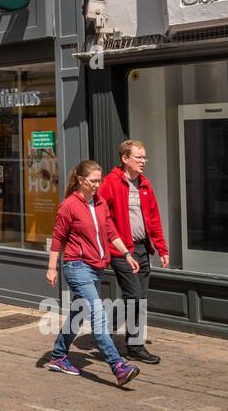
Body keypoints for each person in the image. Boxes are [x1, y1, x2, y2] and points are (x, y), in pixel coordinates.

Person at [44, 159, 142, 387]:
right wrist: (51, 268)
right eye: (94, 181)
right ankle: (118, 366)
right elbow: (58, 238)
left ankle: (58, 356)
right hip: (77, 267)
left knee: (78, 314)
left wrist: (127, 254)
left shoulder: (99, 203)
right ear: (81, 180)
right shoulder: (69, 205)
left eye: (100, 180)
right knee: (98, 315)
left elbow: (110, 231)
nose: (98, 185)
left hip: (96, 267)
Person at [97, 139, 170, 365]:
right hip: (122, 250)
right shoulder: (111, 182)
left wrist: (162, 247)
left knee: (140, 298)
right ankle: (133, 345)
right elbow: (101, 214)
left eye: (144, 157)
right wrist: (112, 242)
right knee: (134, 296)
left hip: (141, 248)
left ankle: (130, 341)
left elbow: (154, 218)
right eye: (138, 157)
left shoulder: (144, 184)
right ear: (125, 159)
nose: (143, 162)